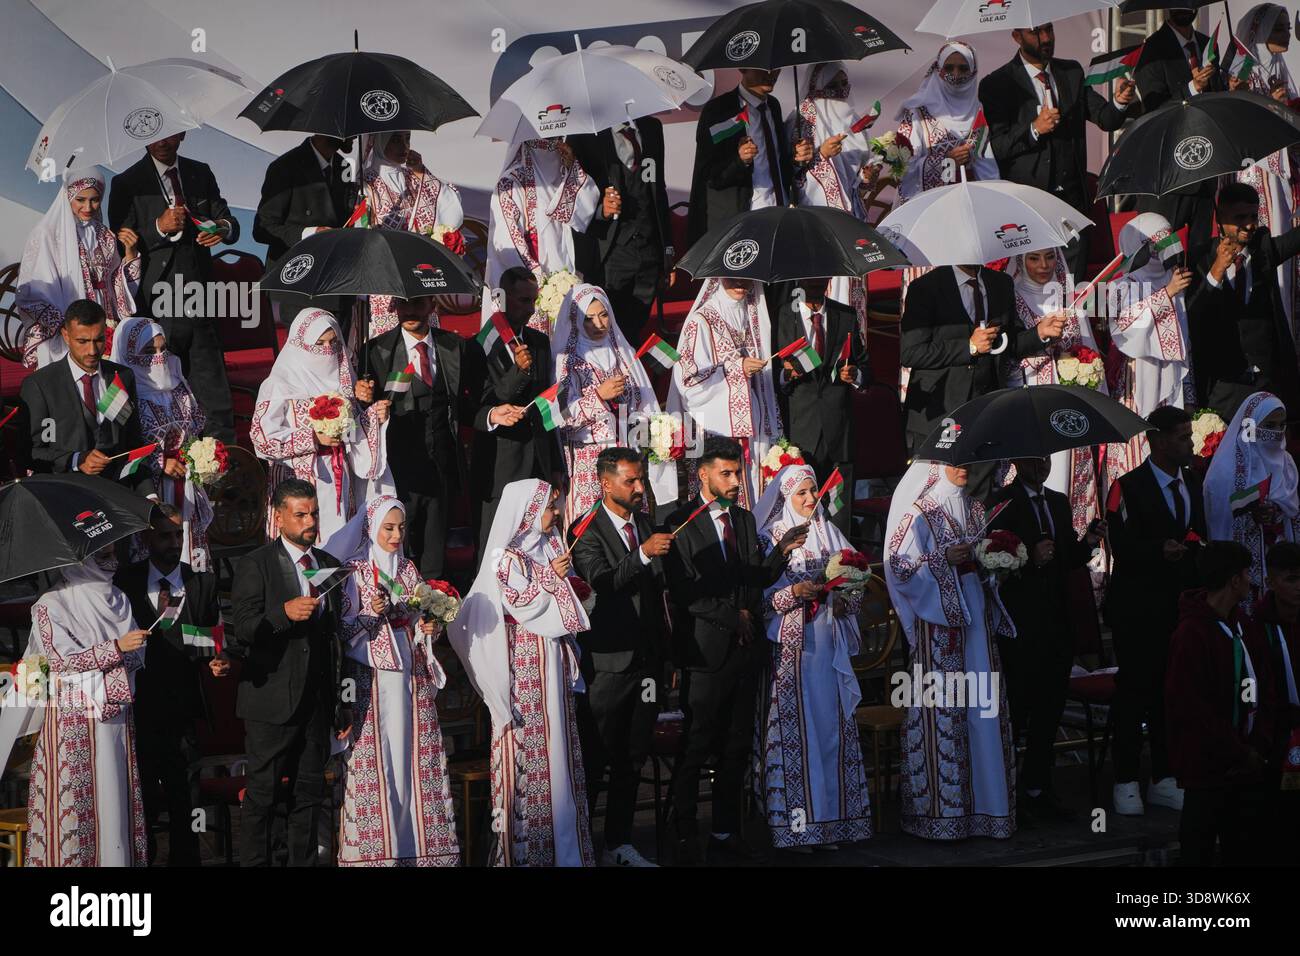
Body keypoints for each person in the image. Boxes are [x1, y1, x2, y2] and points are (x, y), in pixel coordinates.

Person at [663, 437, 806, 864]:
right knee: (696, 746)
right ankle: (684, 831)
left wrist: (781, 552)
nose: (734, 481)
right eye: (725, 473)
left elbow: (755, 577)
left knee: (736, 746)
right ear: (703, 474)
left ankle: (725, 830)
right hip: (706, 652)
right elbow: (685, 592)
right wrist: (733, 617)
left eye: (737, 473)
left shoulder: (743, 520)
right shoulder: (678, 523)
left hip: (744, 652)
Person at [448, 478, 595, 867]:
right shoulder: (505, 557)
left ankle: (566, 851)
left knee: (560, 750)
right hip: (525, 664)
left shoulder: (551, 547)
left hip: (553, 661)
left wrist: (570, 583)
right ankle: (530, 854)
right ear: (528, 512)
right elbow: (525, 605)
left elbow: (563, 600)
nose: (557, 514)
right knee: (533, 755)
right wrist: (556, 579)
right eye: (550, 507)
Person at [884, 461, 1017, 841]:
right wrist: (943, 560)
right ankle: (943, 816)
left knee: (984, 711)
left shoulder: (976, 509)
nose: (964, 470)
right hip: (939, 628)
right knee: (944, 713)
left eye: (969, 463)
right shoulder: (919, 512)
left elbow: (982, 561)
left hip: (976, 620)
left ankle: (989, 811)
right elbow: (900, 567)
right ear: (937, 464)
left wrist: (995, 564)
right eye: (955, 463)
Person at [325, 495, 461, 866]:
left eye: (401, 527)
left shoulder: (407, 570)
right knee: (379, 757)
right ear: (372, 527)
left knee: (412, 759)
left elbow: (417, 617)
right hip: (370, 677)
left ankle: (417, 851)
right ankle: (377, 853)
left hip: (411, 675)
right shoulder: (353, 571)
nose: (397, 535)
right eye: (389, 527)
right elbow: (341, 629)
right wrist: (373, 614)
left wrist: (429, 626)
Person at [754, 463, 872, 851]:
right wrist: (796, 592)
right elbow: (761, 600)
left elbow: (855, 577)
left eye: (812, 491)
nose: (809, 499)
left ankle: (832, 822)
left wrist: (845, 597)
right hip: (794, 648)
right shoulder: (772, 536)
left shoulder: (828, 530)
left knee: (829, 729)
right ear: (785, 497)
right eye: (801, 493)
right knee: (798, 734)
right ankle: (798, 827)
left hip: (828, 644)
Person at [228, 479, 344, 867]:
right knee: (262, 796)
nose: (310, 521)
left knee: (309, 795)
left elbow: (333, 639)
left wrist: (339, 704)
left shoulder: (327, 565)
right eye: (301, 515)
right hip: (270, 702)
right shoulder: (255, 564)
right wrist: (283, 614)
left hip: (315, 702)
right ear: (278, 518)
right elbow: (242, 629)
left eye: (313, 513)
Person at [570, 448, 674, 867]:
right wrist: (644, 554)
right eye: (629, 481)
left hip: (646, 663)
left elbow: (659, 596)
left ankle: (619, 843)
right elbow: (601, 581)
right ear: (605, 483)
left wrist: (664, 659)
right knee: (596, 758)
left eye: (640, 480)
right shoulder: (585, 530)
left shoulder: (644, 524)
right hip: (607, 664)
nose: (638, 488)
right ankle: (581, 841)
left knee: (632, 757)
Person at [989, 456, 1105, 821]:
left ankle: (1039, 787)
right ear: (1017, 462)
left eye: (1044, 460)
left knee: (1049, 711)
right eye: (1031, 460)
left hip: (1057, 623)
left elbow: (1067, 556)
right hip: (1020, 625)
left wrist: (1088, 542)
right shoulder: (1002, 501)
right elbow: (991, 559)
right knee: (1018, 709)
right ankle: (1007, 792)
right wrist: (1028, 559)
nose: (1040, 466)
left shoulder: (1057, 501)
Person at [1104, 405, 1205, 816]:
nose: (1190, 444)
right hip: (1136, 607)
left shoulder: (1192, 482)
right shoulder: (1126, 487)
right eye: (1182, 437)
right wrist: (1155, 551)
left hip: (1177, 606)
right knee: (1134, 691)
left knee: (1171, 692)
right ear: (1159, 440)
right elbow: (1120, 542)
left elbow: (1197, 529)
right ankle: (1126, 778)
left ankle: (1163, 775)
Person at [115, 504, 228, 866]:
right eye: (165, 534)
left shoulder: (201, 581)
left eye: (178, 535)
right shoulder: (124, 582)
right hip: (140, 712)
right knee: (142, 803)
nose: (173, 542)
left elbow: (216, 637)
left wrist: (218, 658)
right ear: (147, 537)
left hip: (184, 713)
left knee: (187, 806)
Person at [107, 131, 239, 443]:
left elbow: (228, 221)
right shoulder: (126, 182)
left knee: (212, 384)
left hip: (200, 295)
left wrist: (221, 229)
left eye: (169, 135)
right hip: (155, 301)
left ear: (181, 134)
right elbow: (116, 240)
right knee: (159, 383)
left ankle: (223, 459)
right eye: (155, 136)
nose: (162, 142)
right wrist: (157, 228)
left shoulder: (200, 172)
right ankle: (162, 457)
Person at [978, 22, 1136, 278]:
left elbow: (1106, 119)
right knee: (1032, 285)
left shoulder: (1071, 72)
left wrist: (1119, 102)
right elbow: (998, 147)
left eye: (1049, 30)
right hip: (1027, 204)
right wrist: (1034, 129)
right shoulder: (997, 83)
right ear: (1017, 36)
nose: (1045, 38)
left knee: (1072, 285)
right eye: (1035, 32)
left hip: (1072, 203)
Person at [26, 545, 149, 867]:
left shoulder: (120, 599)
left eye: (111, 551)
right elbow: (59, 661)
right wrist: (115, 649)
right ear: (77, 557)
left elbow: (136, 655)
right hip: (72, 720)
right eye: (99, 553)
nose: (110, 560)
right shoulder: (50, 605)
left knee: (115, 802)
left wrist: (125, 653)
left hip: (116, 714)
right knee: (75, 808)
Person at [900, 262, 1063, 491]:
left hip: (985, 410)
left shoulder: (1000, 283)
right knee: (936, 495)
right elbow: (911, 352)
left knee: (981, 496)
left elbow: (1008, 344)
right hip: (940, 416)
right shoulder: (926, 287)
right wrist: (968, 347)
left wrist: (1039, 333)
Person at [1166, 541, 1276, 866]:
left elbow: (1264, 684)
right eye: (1246, 573)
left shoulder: (1243, 624)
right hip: (1207, 769)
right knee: (1198, 848)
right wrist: (1238, 750)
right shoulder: (1191, 634)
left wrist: (1259, 741)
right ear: (1233, 580)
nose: (1251, 580)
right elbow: (1191, 707)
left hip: (1246, 764)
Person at [250, 308, 391, 548]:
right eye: (319, 343)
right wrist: (313, 438)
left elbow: (353, 432)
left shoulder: (343, 381)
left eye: (333, 342)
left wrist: (372, 416)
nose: (327, 350)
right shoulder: (279, 383)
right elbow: (261, 438)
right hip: (297, 483)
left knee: (339, 547)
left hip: (340, 482)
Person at [362, 295, 473, 580]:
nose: (410, 311)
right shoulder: (377, 350)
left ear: (433, 305)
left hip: (441, 467)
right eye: (403, 304)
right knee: (398, 549)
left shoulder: (454, 346)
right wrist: (364, 401)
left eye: (418, 303)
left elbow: (471, 403)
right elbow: (362, 415)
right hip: (398, 472)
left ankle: (434, 616)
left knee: (436, 556)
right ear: (394, 307)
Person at [551, 283, 671, 525]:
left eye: (604, 315)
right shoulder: (566, 361)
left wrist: (656, 435)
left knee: (632, 526)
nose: (599, 324)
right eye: (589, 318)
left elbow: (644, 404)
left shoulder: (624, 353)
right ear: (576, 321)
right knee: (593, 531)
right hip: (590, 460)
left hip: (627, 455)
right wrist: (598, 396)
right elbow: (560, 417)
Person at [1007, 249, 1106, 535]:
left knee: (1069, 472)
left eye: (1050, 258)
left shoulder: (1068, 298)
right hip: (1030, 400)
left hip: (1069, 405)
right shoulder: (1011, 297)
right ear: (1020, 261)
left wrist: (1082, 367)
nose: (1043, 266)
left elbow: (1088, 347)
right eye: (1034, 259)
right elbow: (1007, 353)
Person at [470, 266, 564, 561]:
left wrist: (555, 463)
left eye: (534, 301)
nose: (530, 309)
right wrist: (520, 371)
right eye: (523, 301)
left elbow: (544, 401)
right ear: (503, 297)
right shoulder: (482, 343)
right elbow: (490, 400)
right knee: (496, 545)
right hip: (502, 464)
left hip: (537, 457)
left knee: (535, 543)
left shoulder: (539, 341)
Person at [1187, 181, 1300, 421]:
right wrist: (1216, 272)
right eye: (1240, 217)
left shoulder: (1264, 250)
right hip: (1222, 389)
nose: (1249, 225)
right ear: (1220, 217)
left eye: (1253, 216)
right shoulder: (1198, 258)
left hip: (1266, 385)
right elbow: (1193, 317)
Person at [666, 277, 783, 510]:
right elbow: (689, 381)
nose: (741, 284)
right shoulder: (701, 321)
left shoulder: (754, 316)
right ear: (718, 278)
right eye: (734, 278)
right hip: (715, 429)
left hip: (753, 427)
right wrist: (736, 369)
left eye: (747, 279)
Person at [17, 299, 153, 495]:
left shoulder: (122, 376)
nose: (92, 351)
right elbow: (33, 452)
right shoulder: (41, 386)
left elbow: (133, 443)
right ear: (65, 335)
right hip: (66, 495)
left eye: (98, 340)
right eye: (82, 341)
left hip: (118, 494)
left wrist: (150, 495)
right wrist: (76, 460)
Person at [109, 317, 214, 570]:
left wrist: (200, 455)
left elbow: (195, 428)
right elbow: (114, 447)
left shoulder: (177, 382)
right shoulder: (116, 391)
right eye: (148, 351)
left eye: (162, 349)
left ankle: (195, 602)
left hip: (185, 487)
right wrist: (159, 462)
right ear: (129, 352)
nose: (158, 358)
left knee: (192, 557)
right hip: (145, 490)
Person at [17, 169, 140, 369]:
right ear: (68, 197)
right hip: (66, 318)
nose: (88, 207)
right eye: (80, 199)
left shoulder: (105, 235)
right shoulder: (47, 234)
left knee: (105, 377)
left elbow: (115, 280)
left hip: (104, 316)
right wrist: (65, 324)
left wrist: (131, 254)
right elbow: (30, 292)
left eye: (95, 200)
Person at [773, 279, 868, 535]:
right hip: (801, 428)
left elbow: (864, 366)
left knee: (839, 509)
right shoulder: (782, 315)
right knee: (803, 504)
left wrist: (855, 374)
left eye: (821, 278)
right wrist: (785, 375)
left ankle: (843, 562)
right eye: (809, 279)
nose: (815, 284)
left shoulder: (844, 314)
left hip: (839, 429)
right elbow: (771, 373)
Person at [788, 61, 877, 332]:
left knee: (852, 301)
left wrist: (866, 178)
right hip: (817, 225)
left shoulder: (852, 119)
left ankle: (852, 365)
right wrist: (821, 155)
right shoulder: (801, 119)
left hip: (851, 224)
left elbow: (856, 181)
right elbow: (792, 175)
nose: (839, 91)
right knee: (823, 300)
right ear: (817, 87)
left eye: (843, 85)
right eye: (832, 86)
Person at [1104, 213, 1193, 482]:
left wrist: (1189, 394)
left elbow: (1184, 342)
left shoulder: (1174, 281)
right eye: (1154, 245)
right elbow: (1124, 326)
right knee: (1136, 450)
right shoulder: (1121, 284)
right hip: (1136, 378)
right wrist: (1165, 294)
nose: (1160, 252)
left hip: (1168, 379)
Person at [569, 116, 673, 342]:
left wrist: (667, 250)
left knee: (635, 330)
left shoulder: (652, 128)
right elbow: (570, 195)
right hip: (609, 254)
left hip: (649, 253)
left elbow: (659, 190)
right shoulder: (583, 135)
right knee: (605, 331)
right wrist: (600, 210)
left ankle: (629, 374)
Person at [1134, 9, 1226, 259]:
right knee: (1161, 259)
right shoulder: (1151, 49)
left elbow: (1218, 101)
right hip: (1168, 176)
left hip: (1205, 170)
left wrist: (1230, 91)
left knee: (1198, 259)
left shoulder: (1209, 46)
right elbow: (1154, 111)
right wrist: (1191, 88)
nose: (1184, 6)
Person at [1231, 6, 1300, 341]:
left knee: (1283, 249)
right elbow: (1241, 120)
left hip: (1280, 177)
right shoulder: (1245, 69)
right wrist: (1269, 104)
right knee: (1262, 246)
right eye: (1280, 28)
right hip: (1256, 175)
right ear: (1262, 33)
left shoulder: (1278, 67)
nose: (1287, 33)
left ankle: (1285, 327)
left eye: (1287, 27)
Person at [484, 136, 600, 330]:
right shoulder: (509, 184)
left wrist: (572, 167)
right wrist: (539, 281)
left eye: (555, 144)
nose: (551, 151)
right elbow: (507, 240)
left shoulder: (565, 173)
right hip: (526, 277)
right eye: (544, 144)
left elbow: (582, 212)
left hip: (563, 268)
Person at [359, 131, 466, 339]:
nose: (404, 146)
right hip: (386, 284)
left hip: (420, 280)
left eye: (407, 139)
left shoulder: (414, 176)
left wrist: (420, 172)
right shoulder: (367, 184)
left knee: (425, 345)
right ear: (381, 142)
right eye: (396, 140)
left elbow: (451, 212)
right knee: (390, 348)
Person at [687, 68, 812, 243]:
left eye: (775, 67)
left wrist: (797, 159)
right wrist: (740, 161)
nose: (771, 73)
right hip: (743, 223)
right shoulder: (719, 110)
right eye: (763, 68)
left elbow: (778, 162)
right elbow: (709, 175)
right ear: (743, 68)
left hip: (781, 213)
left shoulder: (773, 106)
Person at [1204, 391, 1300, 611]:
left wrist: (1277, 512)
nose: (1276, 433)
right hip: (1246, 569)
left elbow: (1294, 509)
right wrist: (1250, 515)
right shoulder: (1227, 469)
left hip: (1283, 567)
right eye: (1269, 425)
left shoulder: (1287, 463)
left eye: (1281, 425)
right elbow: (1219, 519)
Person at [895, 43, 1000, 203]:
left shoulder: (978, 111)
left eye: (963, 68)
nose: (956, 75)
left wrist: (993, 200)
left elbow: (986, 164)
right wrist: (945, 161)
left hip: (970, 202)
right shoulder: (917, 113)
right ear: (939, 70)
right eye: (949, 68)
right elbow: (902, 168)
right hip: (928, 206)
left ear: (973, 71)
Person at [1248, 540, 1300, 862]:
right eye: (1291, 579)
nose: (1299, 587)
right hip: (1277, 740)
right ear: (1271, 581)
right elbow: (1250, 691)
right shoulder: (1256, 629)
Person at [253, 134, 359, 267]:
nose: (355, 135)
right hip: (291, 272)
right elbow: (262, 229)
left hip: (330, 270)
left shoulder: (344, 167)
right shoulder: (285, 166)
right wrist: (310, 233)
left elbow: (345, 218)